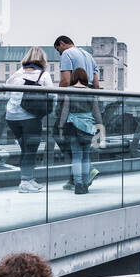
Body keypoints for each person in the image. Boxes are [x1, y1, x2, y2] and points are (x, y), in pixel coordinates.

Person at [53, 37, 101, 190]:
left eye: (58, 50)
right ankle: (82, 181)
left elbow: (65, 80)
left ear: (62, 44)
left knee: (62, 138)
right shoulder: (90, 56)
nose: (60, 54)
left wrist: (59, 99)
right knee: (85, 154)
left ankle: (77, 181)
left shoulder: (68, 53)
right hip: (88, 122)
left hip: (73, 120)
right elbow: (97, 85)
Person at [5, 47, 53, 193]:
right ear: (42, 59)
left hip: (12, 117)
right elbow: (53, 95)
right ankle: (25, 182)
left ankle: (29, 178)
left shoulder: (16, 74)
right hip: (30, 117)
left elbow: (7, 93)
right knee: (30, 150)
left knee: (25, 149)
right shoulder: (44, 75)